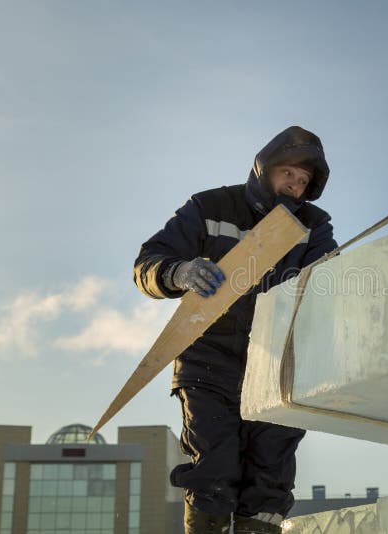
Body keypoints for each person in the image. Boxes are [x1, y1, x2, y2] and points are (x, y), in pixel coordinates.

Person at [132, 125, 338, 534]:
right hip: (209, 360)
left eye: (303, 182)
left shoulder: (313, 228)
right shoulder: (210, 207)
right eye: (289, 174)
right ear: (266, 168)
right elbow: (147, 263)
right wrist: (179, 272)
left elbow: (329, 283)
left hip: (278, 364)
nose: (295, 186)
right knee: (214, 465)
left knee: (270, 474)